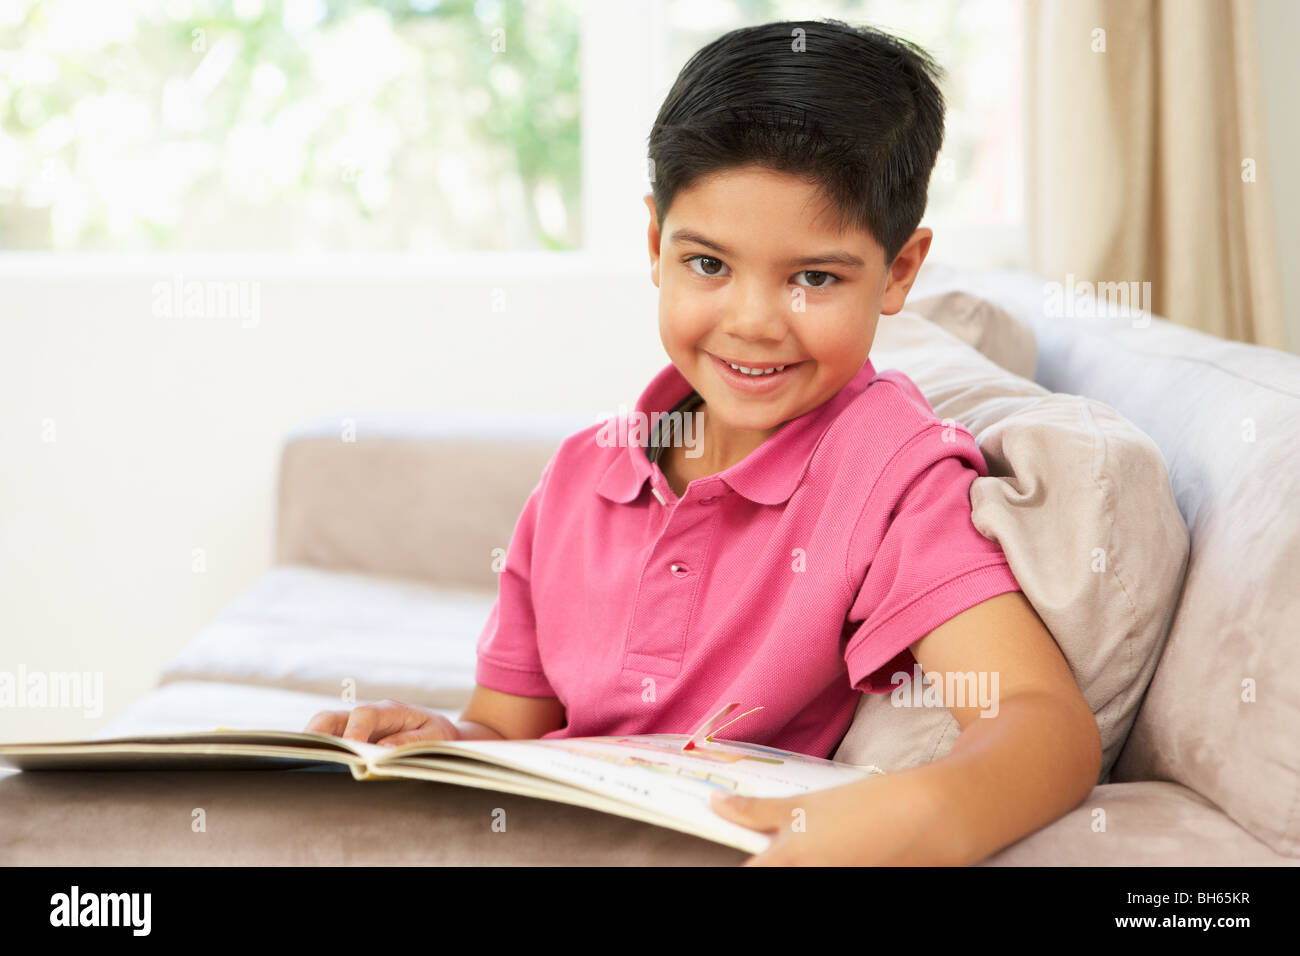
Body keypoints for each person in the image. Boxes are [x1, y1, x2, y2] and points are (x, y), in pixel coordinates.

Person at [307, 18, 1101, 866]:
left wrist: (914, 813)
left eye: (814, 278)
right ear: (656, 244)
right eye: (709, 265)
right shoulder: (582, 473)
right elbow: (508, 726)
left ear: (900, 271)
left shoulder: (892, 471)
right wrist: (446, 738)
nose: (753, 323)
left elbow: (1041, 720)